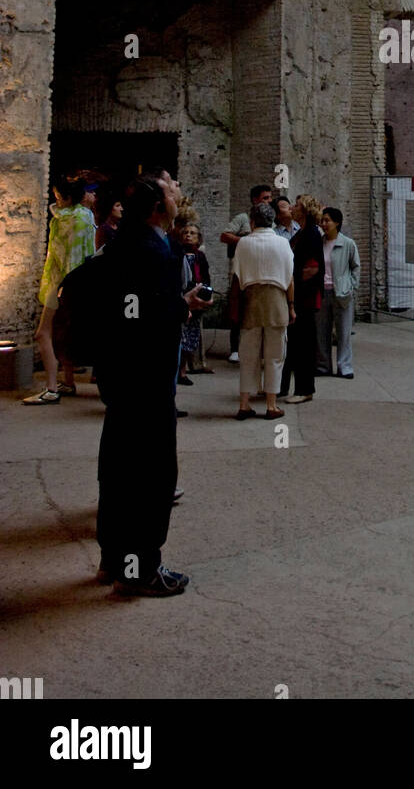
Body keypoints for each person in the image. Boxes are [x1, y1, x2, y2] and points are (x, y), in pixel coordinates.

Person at [94, 175, 213, 595]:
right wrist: (183, 305)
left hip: (122, 380)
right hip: (146, 381)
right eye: (171, 191)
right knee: (151, 475)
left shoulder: (125, 242)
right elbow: (140, 316)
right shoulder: (152, 249)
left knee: (119, 469)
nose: (179, 193)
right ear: (157, 208)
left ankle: (114, 558)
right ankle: (141, 569)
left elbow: (130, 310)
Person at [23, 173, 95, 404]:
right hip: (79, 284)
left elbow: (63, 259)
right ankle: (68, 381)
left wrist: (60, 288)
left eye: (56, 196)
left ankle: (52, 387)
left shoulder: (63, 221)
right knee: (64, 334)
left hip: (60, 284)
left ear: (64, 197)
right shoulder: (86, 217)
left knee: (44, 334)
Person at [232, 202, 295, 420]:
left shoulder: (243, 243)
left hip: (250, 301)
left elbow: (237, 277)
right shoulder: (283, 243)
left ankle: (244, 403)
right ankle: (271, 404)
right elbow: (289, 278)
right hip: (277, 301)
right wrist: (292, 306)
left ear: (252, 221)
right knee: (275, 356)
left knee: (248, 354)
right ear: (273, 219)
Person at [278, 195, 325, 404]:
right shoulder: (302, 233)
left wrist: (293, 280)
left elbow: (312, 269)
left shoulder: (311, 235)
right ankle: (283, 387)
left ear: (304, 210)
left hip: (304, 298)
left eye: (296, 205)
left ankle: (305, 389)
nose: (293, 208)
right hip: (298, 295)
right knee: (294, 343)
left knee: (304, 344)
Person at [220, 185, 273, 361]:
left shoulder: (271, 220)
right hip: (242, 270)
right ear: (255, 200)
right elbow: (224, 235)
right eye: (265, 198)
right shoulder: (243, 218)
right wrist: (246, 241)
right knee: (238, 307)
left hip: (262, 271)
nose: (269, 201)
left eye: (270, 198)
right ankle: (235, 348)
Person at [316, 208, 361, 379]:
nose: (324, 224)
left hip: (342, 292)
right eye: (322, 221)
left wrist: (351, 286)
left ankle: (345, 366)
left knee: (343, 332)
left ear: (337, 223)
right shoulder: (319, 242)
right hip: (322, 291)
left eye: (327, 221)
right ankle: (322, 365)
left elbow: (355, 266)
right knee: (322, 331)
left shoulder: (347, 243)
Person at [174, 222, 211, 385]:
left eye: (192, 233)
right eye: (186, 232)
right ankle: (178, 371)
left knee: (190, 338)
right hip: (182, 298)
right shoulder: (178, 254)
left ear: (198, 239)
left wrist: (206, 295)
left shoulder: (200, 256)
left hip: (196, 299)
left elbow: (205, 276)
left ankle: (187, 368)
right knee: (180, 338)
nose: (188, 235)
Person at [95, 186, 123, 251]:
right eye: (117, 206)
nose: (121, 209)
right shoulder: (103, 229)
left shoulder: (120, 225)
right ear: (109, 208)